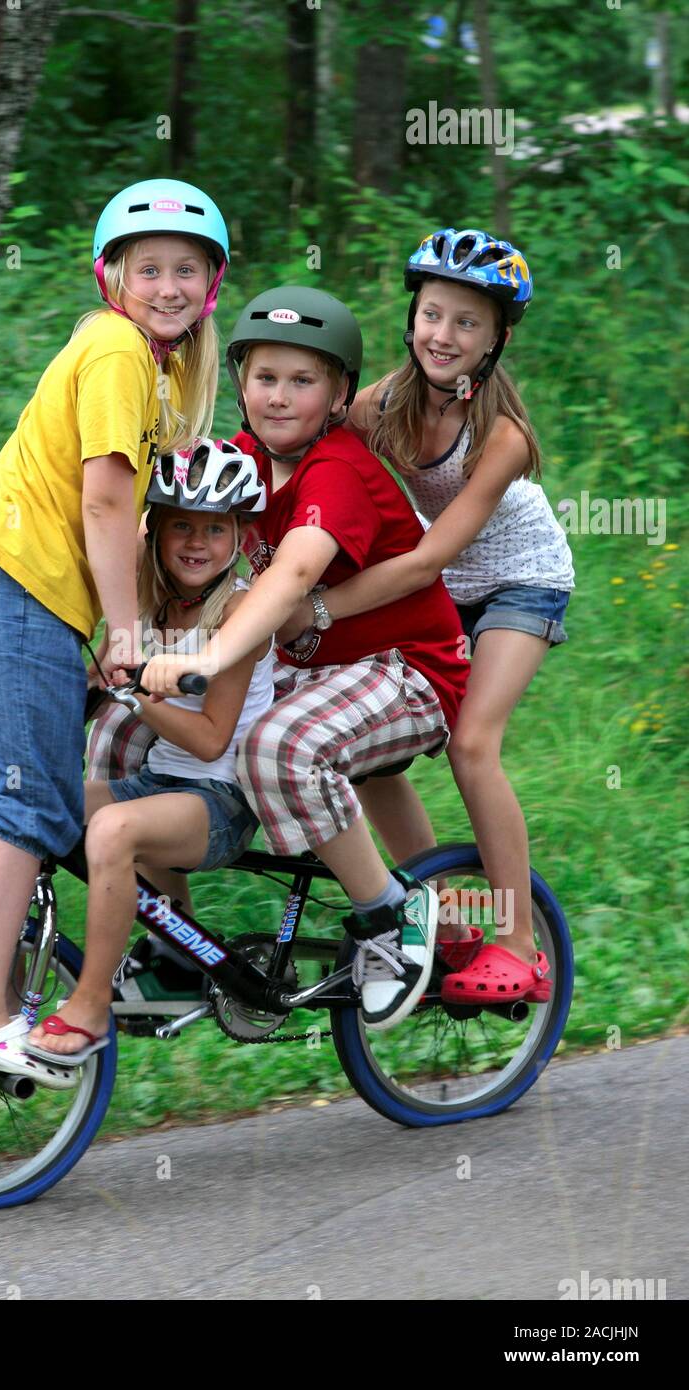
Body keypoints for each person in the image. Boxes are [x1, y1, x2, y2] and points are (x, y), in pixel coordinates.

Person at [0, 179, 230, 1082]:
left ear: (212, 284)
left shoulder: (140, 363)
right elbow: (107, 497)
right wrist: (124, 635)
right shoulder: (118, 349)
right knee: (27, 804)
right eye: (146, 268)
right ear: (111, 276)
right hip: (13, 574)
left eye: (184, 270)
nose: (166, 286)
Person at [138, 286, 471, 1030]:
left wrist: (209, 656)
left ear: (339, 393)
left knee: (279, 746)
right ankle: (174, 950)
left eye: (302, 381)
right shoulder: (243, 460)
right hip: (310, 669)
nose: (279, 398)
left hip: (405, 667)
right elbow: (164, 538)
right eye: (264, 379)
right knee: (128, 734)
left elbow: (290, 574)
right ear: (241, 383)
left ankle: (388, 918)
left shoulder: (336, 471)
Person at [283, 229, 569, 1003]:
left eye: (466, 324)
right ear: (412, 319)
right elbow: (306, 449)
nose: (443, 336)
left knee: (473, 744)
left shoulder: (501, 436)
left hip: (514, 580)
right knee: (372, 756)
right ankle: (444, 919)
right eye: (433, 315)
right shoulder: (377, 404)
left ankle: (516, 943)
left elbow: (424, 561)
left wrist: (312, 607)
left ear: (496, 341)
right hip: (439, 587)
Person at [22, 442, 274, 1061]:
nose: (197, 541)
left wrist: (138, 692)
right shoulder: (148, 598)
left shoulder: (239, 612)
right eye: (181, 525)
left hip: (222, 799)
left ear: (239, 536)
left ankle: (90, 1009)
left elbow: (213, 737)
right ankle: (7, 973)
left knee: (109, 832)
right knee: (34, 807)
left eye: (215, 528)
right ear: (155, 530)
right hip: (162, 783)